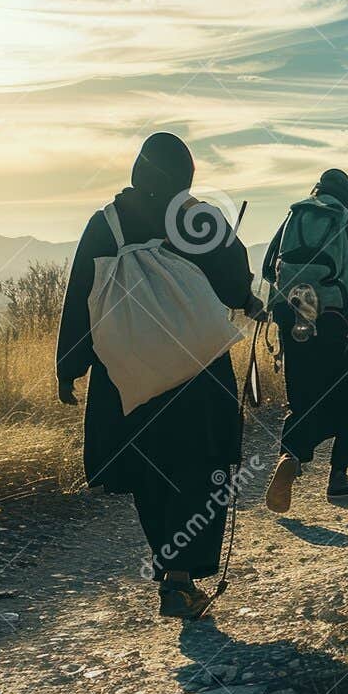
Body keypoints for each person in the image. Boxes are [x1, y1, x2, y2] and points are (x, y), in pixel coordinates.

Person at [56, 132, 263, 620]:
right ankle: (179, 578)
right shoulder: (200, 218)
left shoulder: (104, 223)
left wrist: (70, 366)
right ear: (186, 172)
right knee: (202, 465)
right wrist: (248, 298)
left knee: (150, 472)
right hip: (198, 370)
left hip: (128, 374)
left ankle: (169, 569)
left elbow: (80, 293)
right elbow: (234, 283)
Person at [262, 168, 348, 511]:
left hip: (297, 317)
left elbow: (267, 266)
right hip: (343, 321)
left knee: (303, 395)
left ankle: (290, 457)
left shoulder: (297, 212)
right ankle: (338, 479)